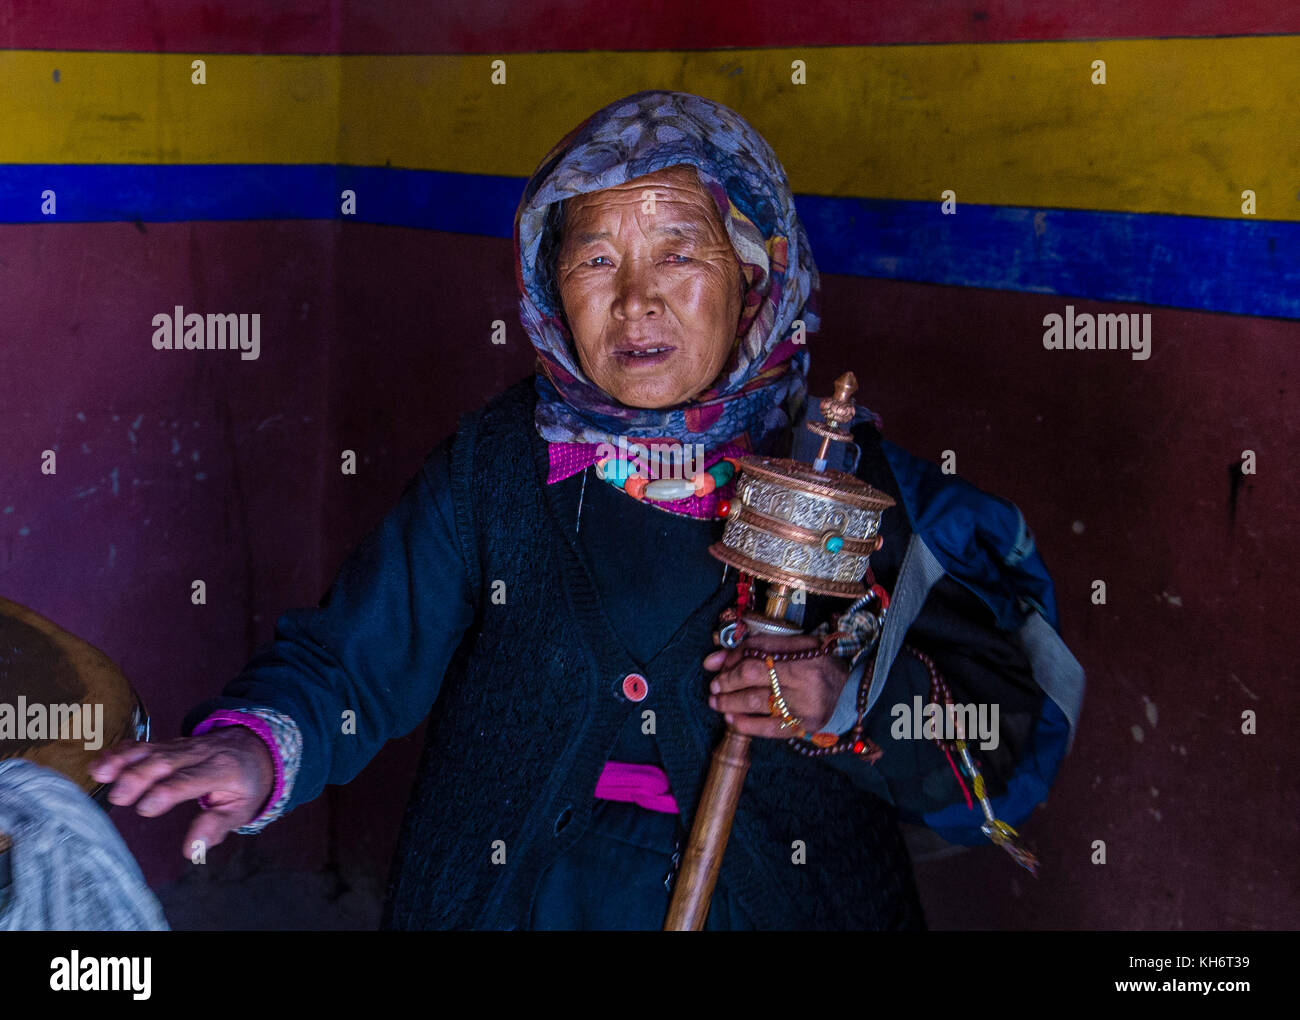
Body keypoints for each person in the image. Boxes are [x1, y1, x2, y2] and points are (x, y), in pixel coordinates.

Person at [91, 90, 1068, 930]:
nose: (634, 301)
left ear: (755, 276)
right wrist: (254, 752)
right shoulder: (496, 465)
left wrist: (845, 701)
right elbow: (354, 657)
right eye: (594, 260)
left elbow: (1006, 741)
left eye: (677, 253)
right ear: (548, 289)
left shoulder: (860, 496)